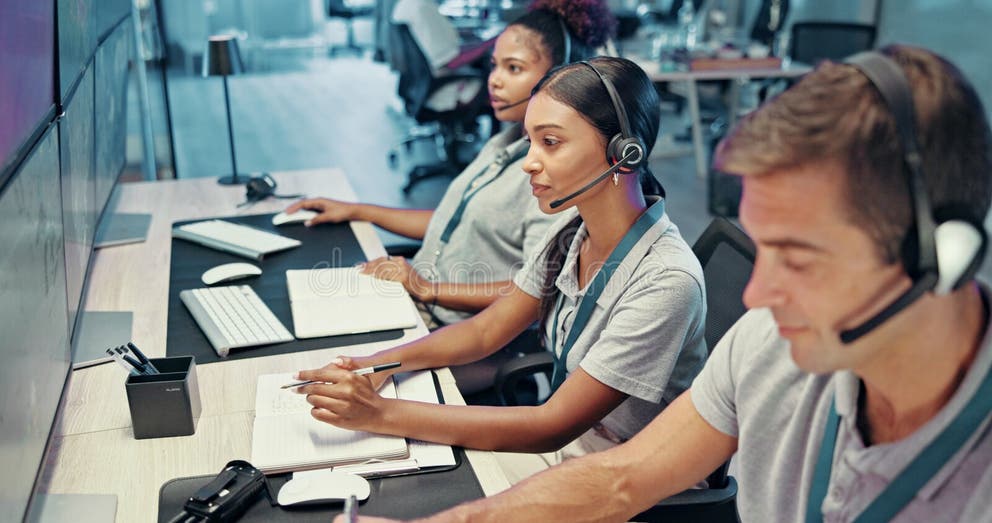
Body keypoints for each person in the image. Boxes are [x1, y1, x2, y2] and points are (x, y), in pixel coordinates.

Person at [336, 45, 992, 522]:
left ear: (945, 254)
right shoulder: (767, 347)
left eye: (799, 257)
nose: (757, 296)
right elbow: (619, 478)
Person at [296, 56, 708, 484]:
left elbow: (553, 425)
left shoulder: (664, 281)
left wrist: (380, 413)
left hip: (626, 477)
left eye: (550, 142)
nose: (529, 162)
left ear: (624, 153)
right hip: (575, 451)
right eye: (530, 141)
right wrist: (374, 366)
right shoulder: (574, 231)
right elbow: (485, 332)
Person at [286, 0, 615, 331]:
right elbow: (455, 218)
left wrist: (427, 289)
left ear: (562, 74)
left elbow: (533, 293)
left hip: (455, 329)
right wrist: (357, 211)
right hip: (417, 306)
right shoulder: (506, 142)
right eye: (494, 66)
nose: (494, 81)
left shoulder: (552, 178)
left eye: (513, 68)